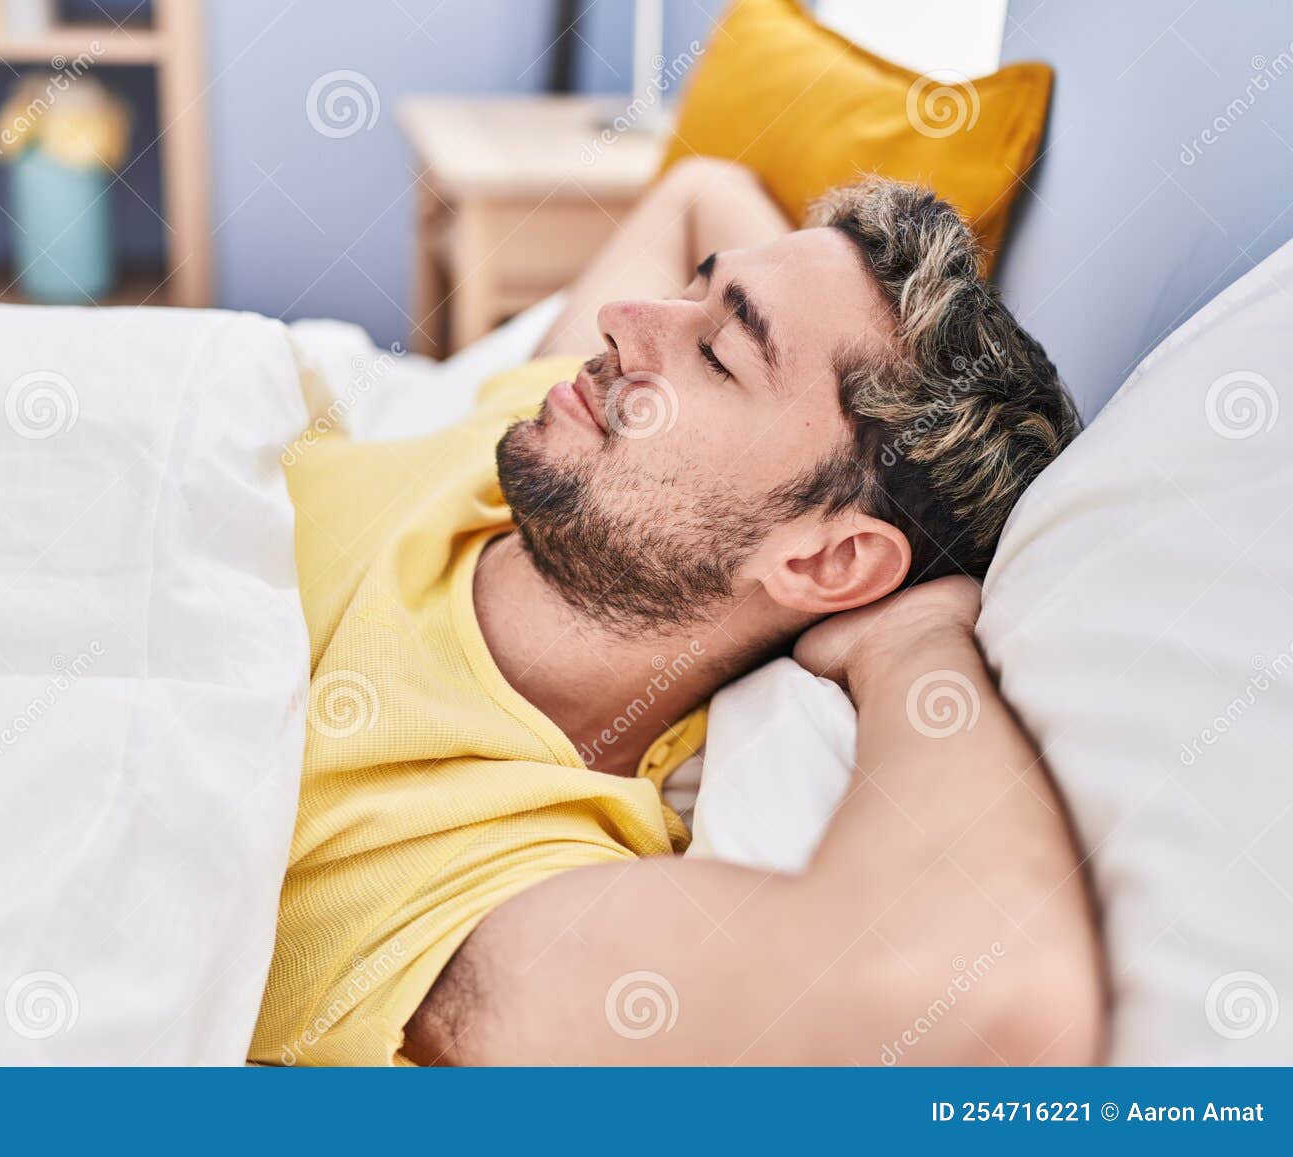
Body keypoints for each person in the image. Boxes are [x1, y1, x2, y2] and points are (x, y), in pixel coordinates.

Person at [251, 157, 1102, 1067]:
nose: (625, 319)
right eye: (698, 292)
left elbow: (990, 1005)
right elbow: (698, 189)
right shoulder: (552, 444)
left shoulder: (482, 873)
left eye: (717, 354)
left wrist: (910, 642)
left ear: (826, 557)